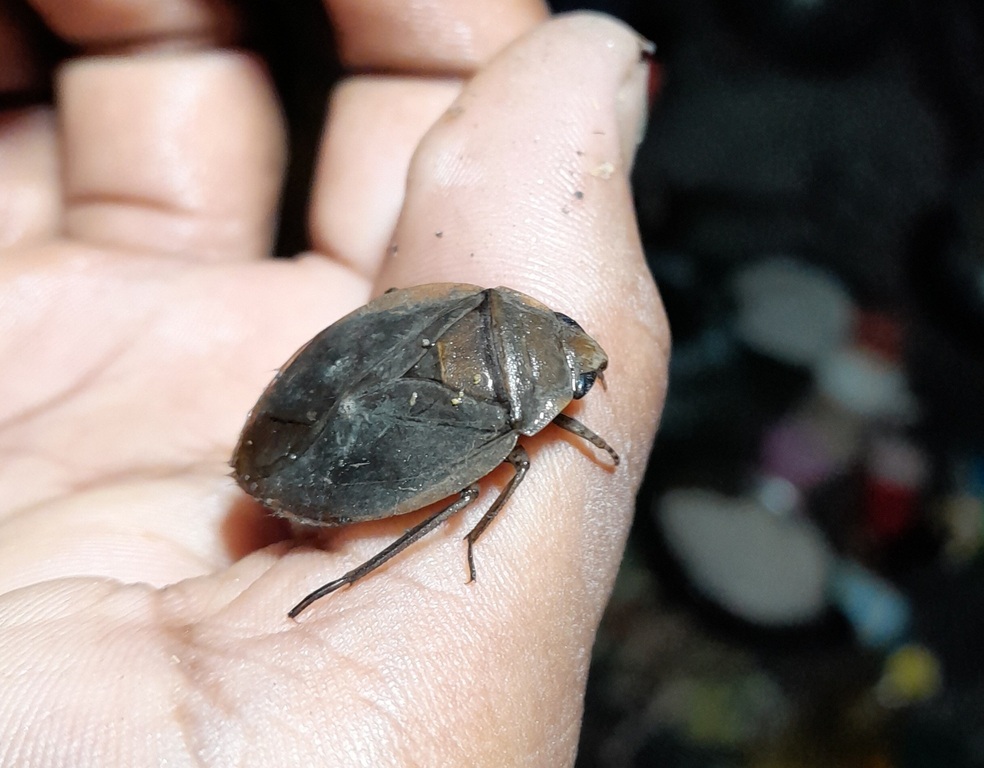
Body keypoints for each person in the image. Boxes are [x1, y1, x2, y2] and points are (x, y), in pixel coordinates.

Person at [0, 1, 668, 764]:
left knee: (453, 469)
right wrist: (481, 530)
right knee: (474, 492)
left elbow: (380, 319)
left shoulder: (469, 306)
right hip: (383, 425)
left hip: (372, 382)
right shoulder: (517, 431)